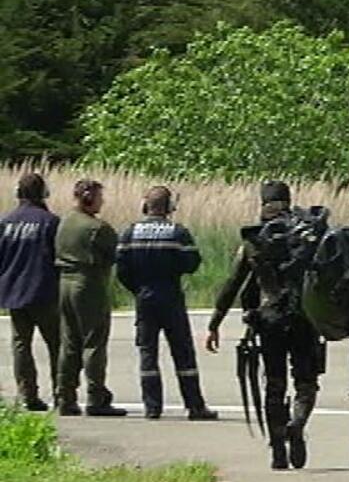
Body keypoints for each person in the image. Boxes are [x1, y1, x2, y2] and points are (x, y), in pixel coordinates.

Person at [206, 181, 324, 469]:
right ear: (288, 201)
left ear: (263, 204)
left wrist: (215, 322)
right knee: (306, 382)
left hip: (269, 318)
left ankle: (277, 448)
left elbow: (233, 283)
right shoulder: (307, 235)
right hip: (303, 318)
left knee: (274, 383)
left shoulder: (254, 239)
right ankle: (297, 423)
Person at [116, 186, 217, 421]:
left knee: (147, 353)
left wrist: (138, 289)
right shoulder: (177, 232)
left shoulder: (130, 233)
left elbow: (121, 269)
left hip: (144, 298)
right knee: (183, 353)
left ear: (145, 206)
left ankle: (152, 407)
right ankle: (195, 406)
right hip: (170, 296)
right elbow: (192, 263)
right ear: (170, 207)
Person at [55, 179, 125, 417]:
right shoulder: (97, 228)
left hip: (64, 283)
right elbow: (116, 253)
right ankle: (96, 398)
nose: (102, 201)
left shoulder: (64, 222)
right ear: (88, 198)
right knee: (94, 341)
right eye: (99, 197)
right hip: (88, 284)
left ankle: (65, 396)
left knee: (70, 341)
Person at [0, 174, 60, 411]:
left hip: (14, 292)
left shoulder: (6, 223)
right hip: (44, 291)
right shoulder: (50, 222)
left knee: (21, 344)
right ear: (44, 193)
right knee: (57, 345)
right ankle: (62, 392)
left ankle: (27, 394)